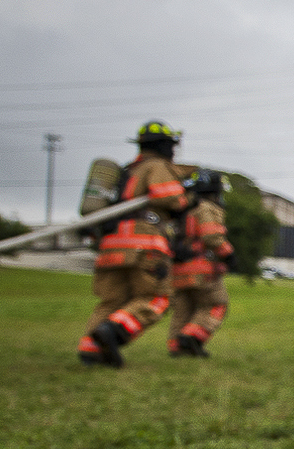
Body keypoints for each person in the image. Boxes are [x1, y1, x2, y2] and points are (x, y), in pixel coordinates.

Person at [77, 120, 201, 368]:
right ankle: (113, 331)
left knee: (113, 300)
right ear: (165, 145)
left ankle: (91, 349)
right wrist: (188, 198)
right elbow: (170, 197)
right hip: (144, 242)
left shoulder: (126, 172)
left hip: (112, 243)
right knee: (156, 298)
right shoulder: (157, 166)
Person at [167, 168, 233, 358]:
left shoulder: (182, 210)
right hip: (201, 268)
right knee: (217, 304)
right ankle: (190, 337)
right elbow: (211, 236)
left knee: (183, 310)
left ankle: (176, 346)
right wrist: (228, 253)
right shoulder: (206, 208)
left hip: (178, 269)